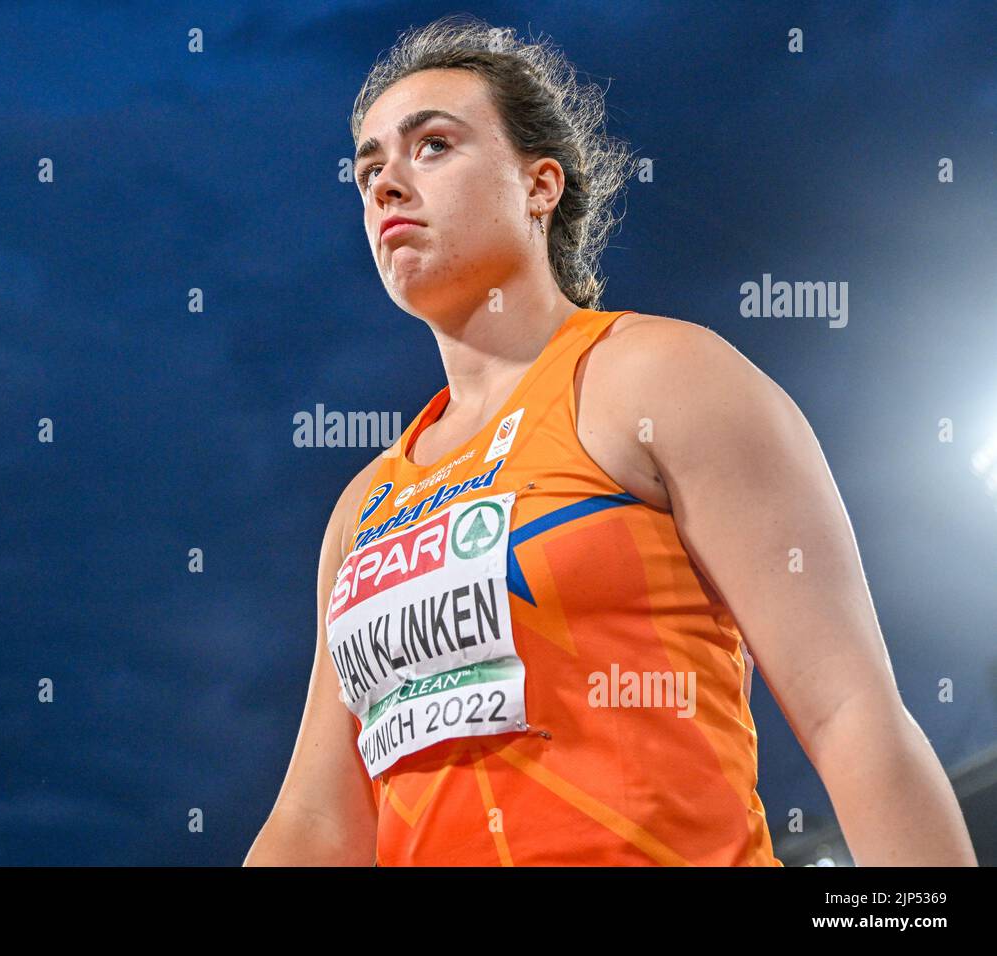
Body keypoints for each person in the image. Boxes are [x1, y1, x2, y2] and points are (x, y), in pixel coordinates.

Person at [245, 14, 976, 867]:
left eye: (432, 146)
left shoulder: (661, 378)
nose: (385, 185)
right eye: (368, 169)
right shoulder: (363, 509)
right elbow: (318, 821)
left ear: (539, 184)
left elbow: (848, 711)